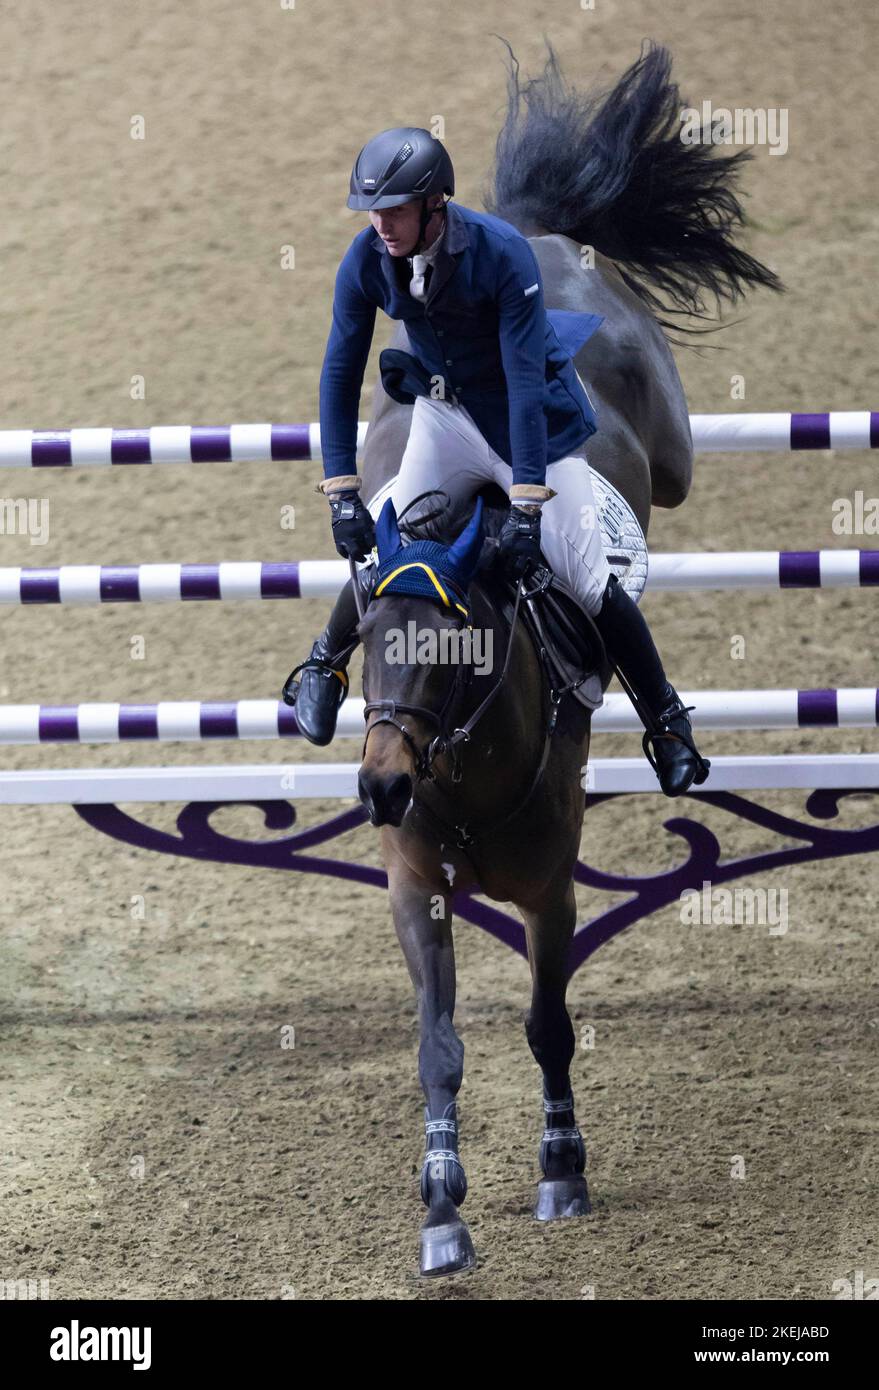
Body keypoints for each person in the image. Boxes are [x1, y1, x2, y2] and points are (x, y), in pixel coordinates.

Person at [283, 127, 709, 796]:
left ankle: (666, 718)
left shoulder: (497, 252)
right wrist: (340, 492)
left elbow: (523, 380)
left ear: (435, 205)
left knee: (589, 579)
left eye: (394, 210)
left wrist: (528, 506)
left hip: (526, 419)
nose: (380, 225)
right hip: (445, 416)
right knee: (382, 543)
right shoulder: (367, 257)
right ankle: (322, 664)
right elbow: (339, 369)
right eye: (373, 211)